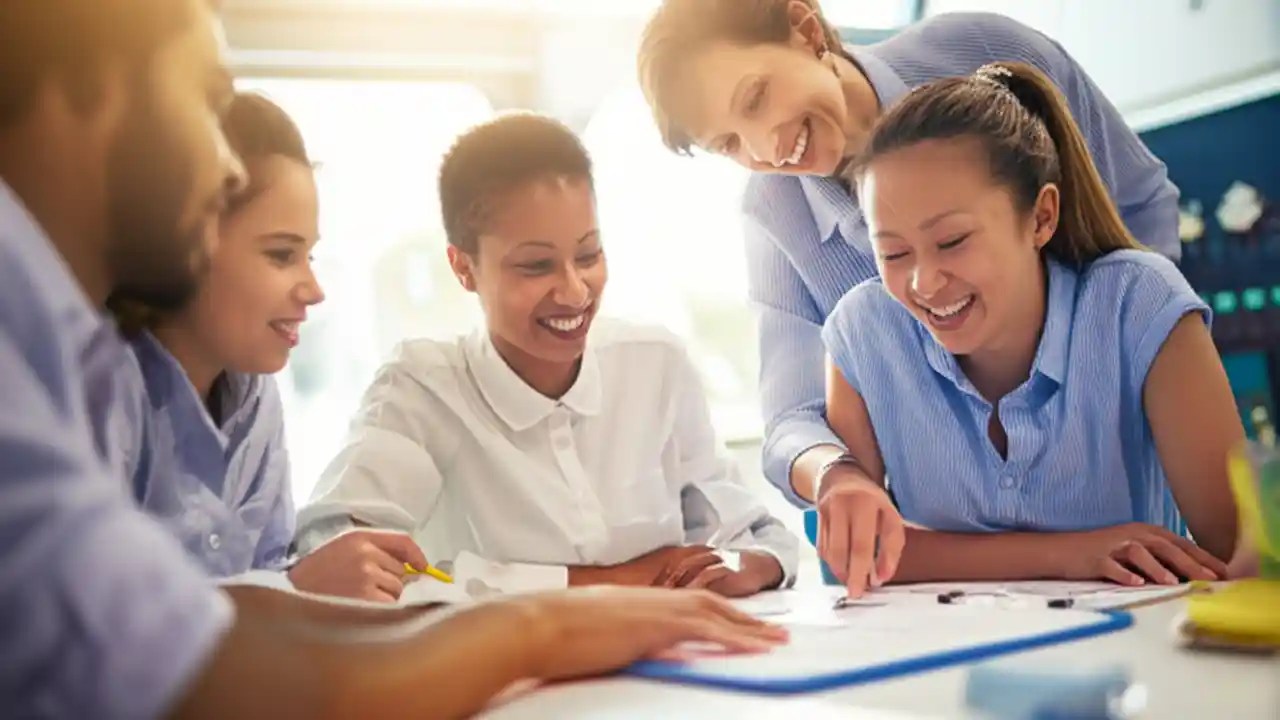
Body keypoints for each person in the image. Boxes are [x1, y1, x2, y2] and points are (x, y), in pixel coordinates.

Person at [0, 3, 785, 718]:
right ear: (94, 88)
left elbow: (227, 614)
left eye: (588, 254)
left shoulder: (139, 368)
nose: (229, 164)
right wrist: (551, 617)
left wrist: (590, 605)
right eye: (205, 101)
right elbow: (193, 664)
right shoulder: (39, 344)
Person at [635, 1, 1185, 557]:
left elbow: (1139, 208)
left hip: (1119, 504)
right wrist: (838, 474)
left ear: (803, 31)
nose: (764, 149)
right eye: (728, 144)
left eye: (755, 99)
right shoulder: (776, 213)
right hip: (962, 554)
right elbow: (791, 421)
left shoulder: (983, 49)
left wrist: (1149, 375)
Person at [295, 112, 798, 602]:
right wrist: (620, 581)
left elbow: (760, 536)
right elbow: (339, 560)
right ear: (463, 267)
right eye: (536, 266)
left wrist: (743, 566)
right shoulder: (424, 388)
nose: (575, 291)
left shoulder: (654, 364)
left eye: (588, 255)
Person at [815, 61, 1242, 596]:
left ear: (1041, 218)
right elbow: (853, 555)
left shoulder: (1138, 302)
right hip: (940, 660)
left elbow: (1235, 547)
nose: (923, 281)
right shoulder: (861, 332)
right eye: (893, 252)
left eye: (952, 242)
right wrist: (1070, 554)